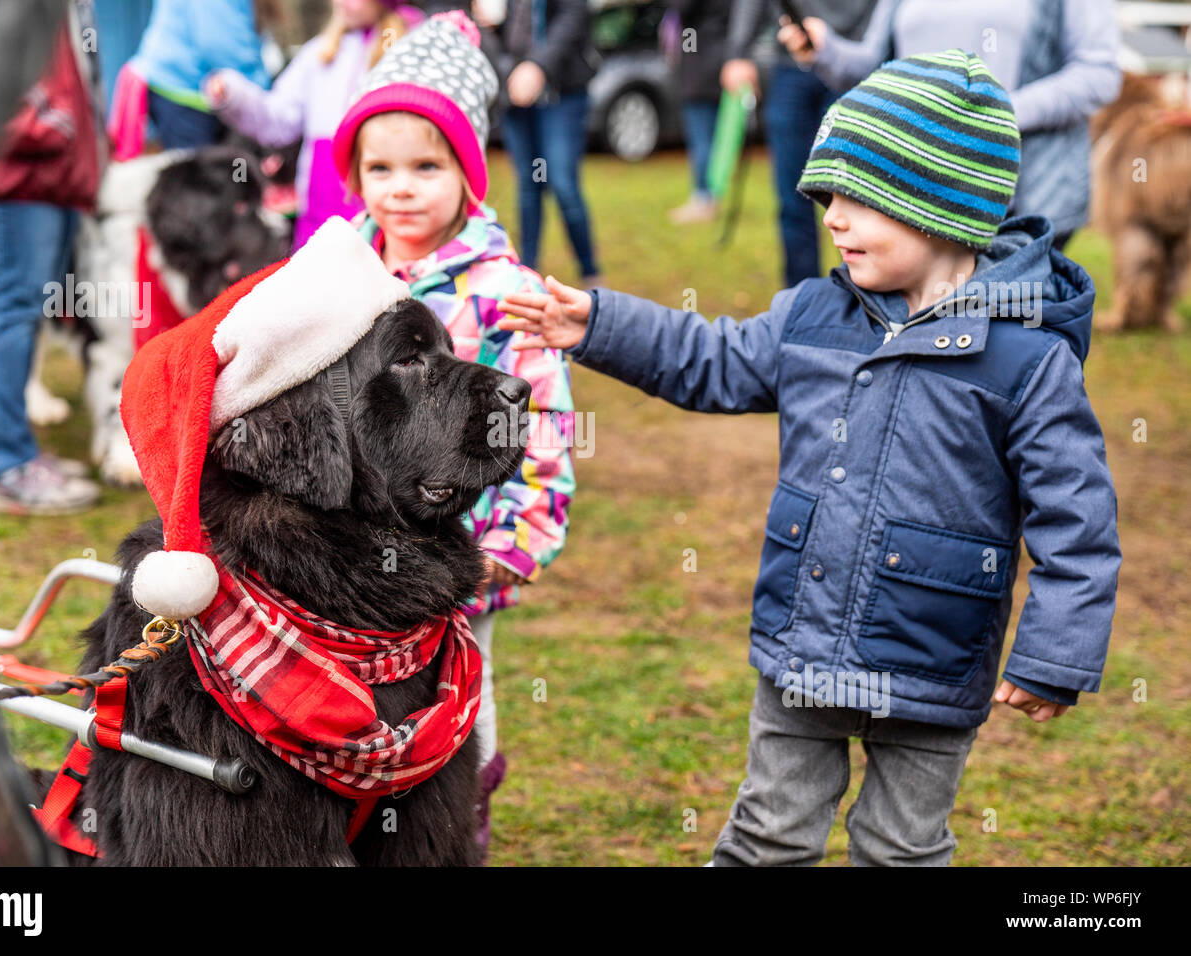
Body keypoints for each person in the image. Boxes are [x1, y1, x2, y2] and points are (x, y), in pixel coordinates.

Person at [500, 52, 1121, 865]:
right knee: (768, 834)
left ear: (936, 202)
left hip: (935, 658)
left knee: (901, 848)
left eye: (857, 198)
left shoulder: (1025, 361)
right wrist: (601, 327)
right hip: (806, 638)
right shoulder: (814, 316)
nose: (831, 217)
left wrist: (1055, 652)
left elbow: (1077, 518)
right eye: (827, 195)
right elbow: (712, 359)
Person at [331, 10, 577, 856]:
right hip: (360, 544)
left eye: (425, 167)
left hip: (464, 546)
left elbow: (537, 419)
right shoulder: (341, 278)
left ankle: (455, 809)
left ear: (466, 175)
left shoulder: (501, 291)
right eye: (379, 167)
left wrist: (516, 539)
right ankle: (369, 807)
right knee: (365, 682)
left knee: (459, 681)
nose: (400, 188)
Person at [777, 0, 1121, 250]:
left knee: (1009, 328)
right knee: (922, 327)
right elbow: (877, 67)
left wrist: (994, 113)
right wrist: (826, 49)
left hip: (1024, 190)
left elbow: (1098, 74)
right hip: (920, 185)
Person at [0, 8, 104, 515]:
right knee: (9, 311)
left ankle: (9, 453)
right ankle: (3, 466)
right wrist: (54, 121)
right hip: (16, 178)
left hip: (49, 178)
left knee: (21, 312)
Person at [204, 0, 423, 250]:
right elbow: (276, 121)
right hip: (318, 220)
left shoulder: (408, 52)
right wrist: (234, 95)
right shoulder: (319, 54)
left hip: (382, 224)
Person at [722, 0, 877, 285]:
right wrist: (738, 53)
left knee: (858, 197)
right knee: (793, 196)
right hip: (791, 64)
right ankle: (802, 301)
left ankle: (863, 303)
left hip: (856, 61)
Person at [485, 0, 602, 286]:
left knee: (563, 184)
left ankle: (590, 273)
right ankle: (527, 273)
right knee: (528, 186)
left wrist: (539, 67)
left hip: (562, 93)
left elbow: (572, 19)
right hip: (515, 97)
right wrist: (492, 24)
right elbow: (507, 32)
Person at [130, 0, 271, 149]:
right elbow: (217, 45)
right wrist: (262, 88)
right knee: (200, 167)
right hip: (184, 89)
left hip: (189, 85)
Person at [663, 0, 732, 225]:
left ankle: (704, 199)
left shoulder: (693, 32)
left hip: (700, 68)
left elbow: (681, 8)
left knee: (702, 138)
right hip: (717, 61)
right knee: (712, 138)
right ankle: (710, 196)